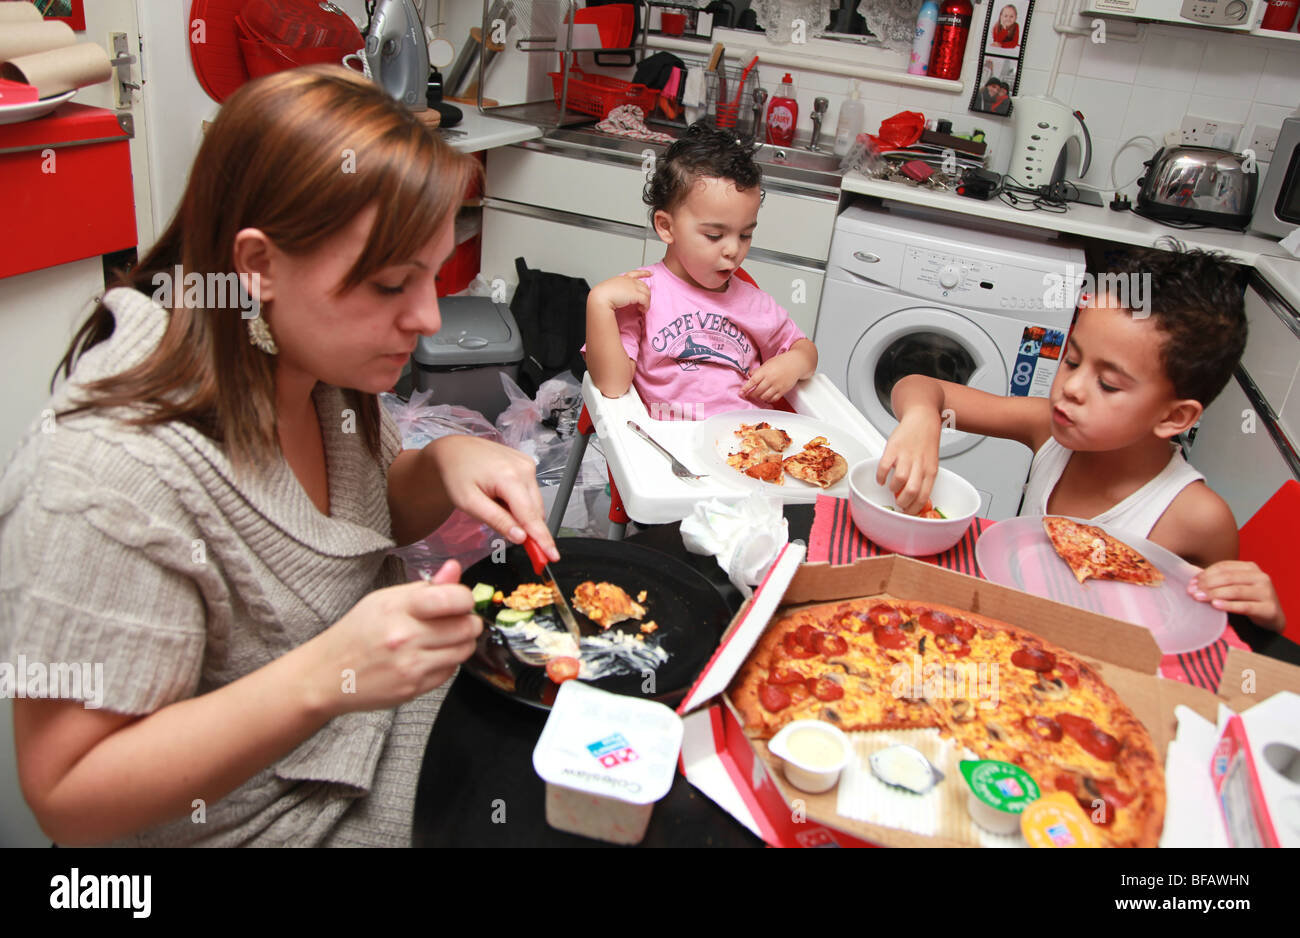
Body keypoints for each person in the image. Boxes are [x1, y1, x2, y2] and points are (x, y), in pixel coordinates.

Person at [0, 66, 560, 847]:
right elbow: (66, 796)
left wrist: (443, 463)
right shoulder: (105, 474)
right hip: (281, 819)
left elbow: (349, 520)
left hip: (387, 730)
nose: (428, 318)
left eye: (433, 273)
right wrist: (329, 674)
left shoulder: (307, 359)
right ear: (258, 267)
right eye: (394, 284)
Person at [878, 245, 1285, 632]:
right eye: (1072, 360)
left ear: (1174, 416)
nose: (1071, 387)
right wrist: (921, 418)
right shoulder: (1048, 429)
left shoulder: (1196, 517)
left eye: (1107, 384)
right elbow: (919, 386)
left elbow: (1218, 630)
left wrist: (1262, 614)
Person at [584, 124, 818, 417]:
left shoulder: (754, 303)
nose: (733, 250)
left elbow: (807, 351)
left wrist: (794, 362)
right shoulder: (641, 294)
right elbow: (613, 386)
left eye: (745, 235)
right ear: (666, 227)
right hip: (667, 450)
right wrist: (599, 303)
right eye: (714, 236)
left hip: (745, 445)